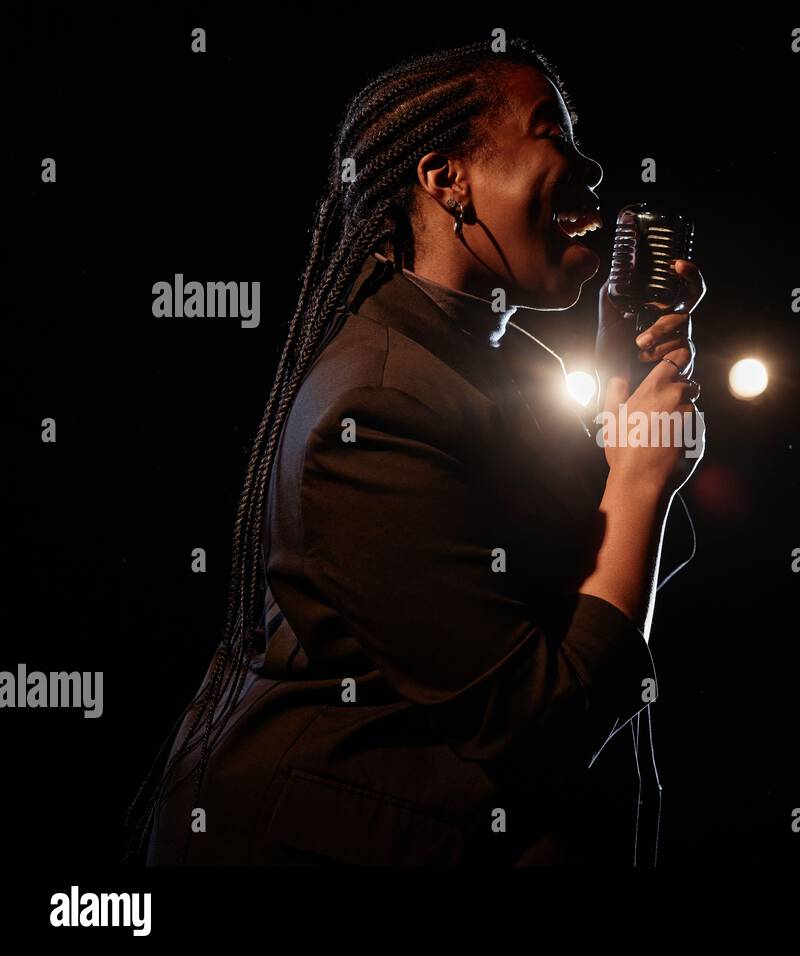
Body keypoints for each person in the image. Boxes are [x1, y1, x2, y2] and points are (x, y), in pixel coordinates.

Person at [127, 36, 705, 866]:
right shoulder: (377, 405)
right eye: (553, 133)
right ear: (446, 179)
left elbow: (582, 576)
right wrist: (640, 478)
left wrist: (624, 394)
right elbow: (538, 720)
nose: (593, 168)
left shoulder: (492, 360)